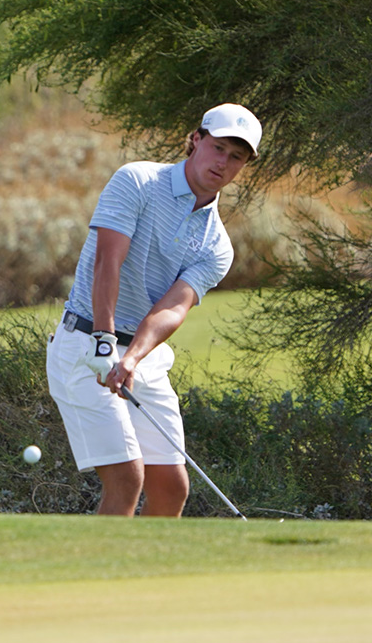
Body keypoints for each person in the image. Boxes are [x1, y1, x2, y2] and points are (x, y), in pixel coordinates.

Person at [46, 103, 262, 516]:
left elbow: (171, 310)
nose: (223, 163)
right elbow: (108, 261)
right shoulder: (138, 181)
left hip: (140, 359)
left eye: (236, 157)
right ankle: (101, 578)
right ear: (196, 140)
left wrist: (131, 357)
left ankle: (144, 576)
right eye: (217, 148)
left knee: (171, 488)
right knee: (127, 477)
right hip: (85, 343)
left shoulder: (217, 246)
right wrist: (106, 342)